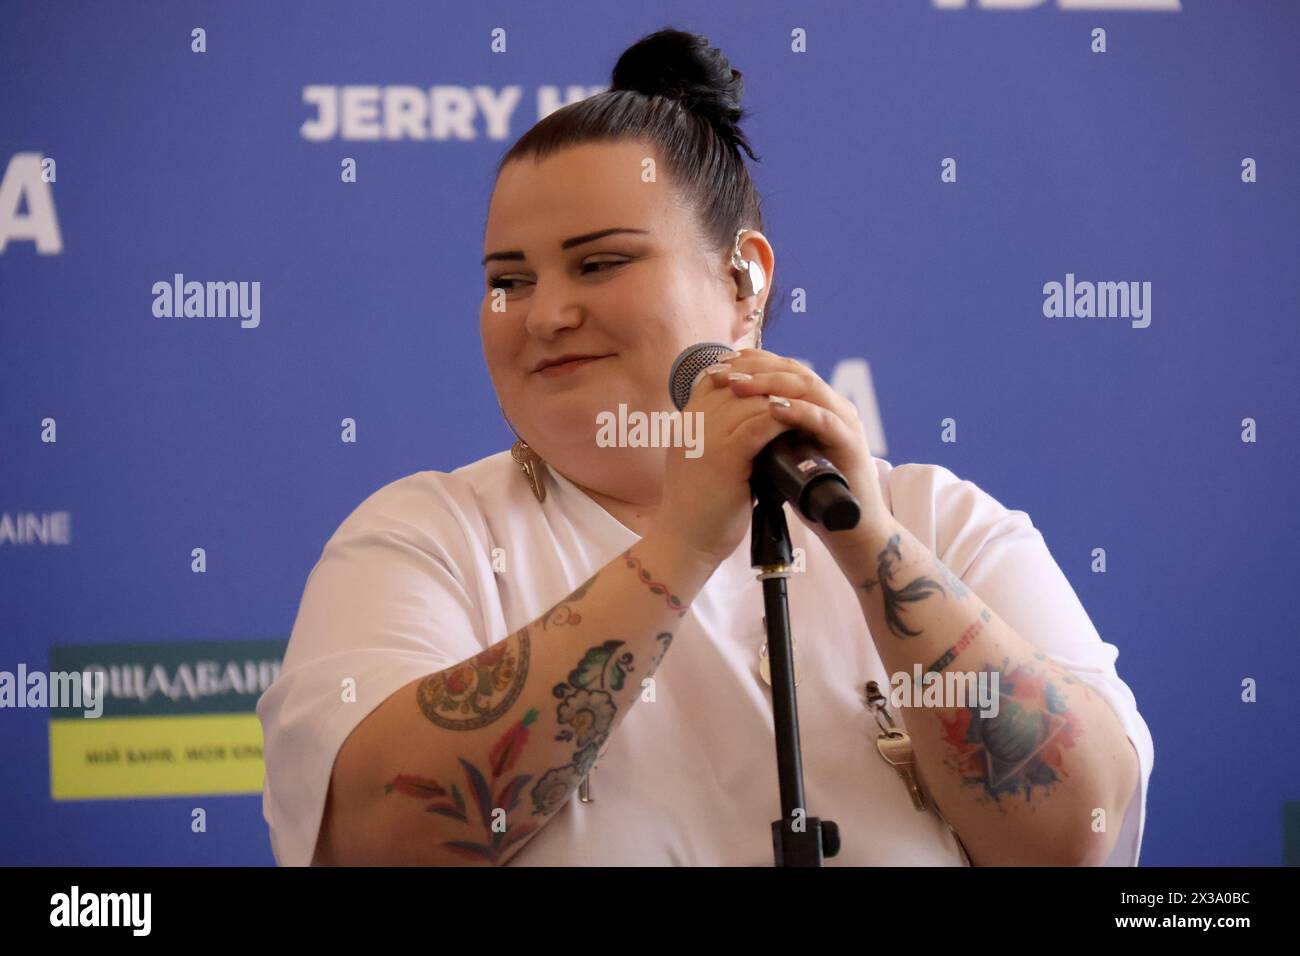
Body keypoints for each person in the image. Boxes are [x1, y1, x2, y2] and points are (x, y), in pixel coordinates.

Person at [256, 27, 1153, 867]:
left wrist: (869, 544)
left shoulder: (937, 521)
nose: (546, 313)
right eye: (509, 280)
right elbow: (379, 833)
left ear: (743, 279)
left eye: (599, 262)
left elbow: (1079, 830)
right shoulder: (427, 537)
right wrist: (679, 547)